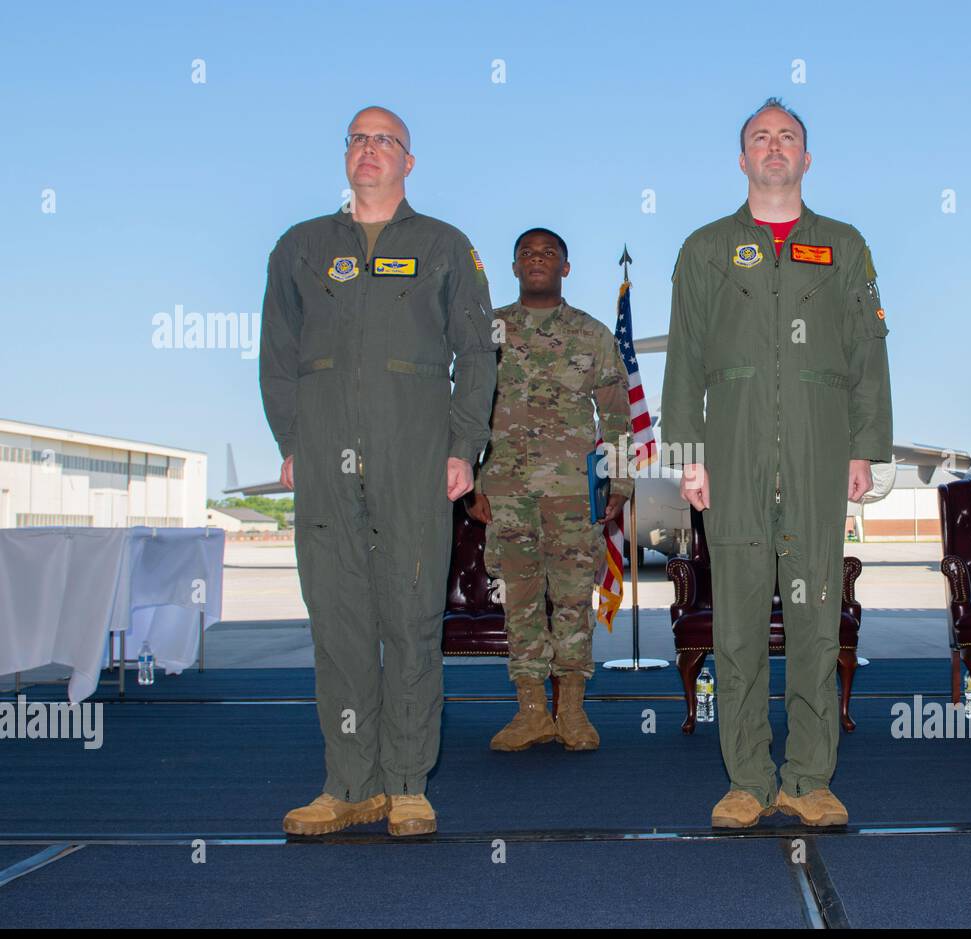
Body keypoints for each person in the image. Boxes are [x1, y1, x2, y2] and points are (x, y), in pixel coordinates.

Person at [259, 106, 498, 835]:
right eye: (358, 139)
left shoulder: (444, 246)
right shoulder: (300, 248)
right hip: (326, 453)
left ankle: (406, 783)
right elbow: (277, 356)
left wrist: (464, 445)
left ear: (408, 161)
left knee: (413, 616)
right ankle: (347, 783)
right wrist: (293, 438)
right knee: (338, 621)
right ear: (346, 157)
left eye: (384, 140)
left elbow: (479, 354)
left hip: (415, 453)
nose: (370, 150)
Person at [662, 98, 893, 828]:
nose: (773, 146)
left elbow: (869, 351)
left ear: (806, 157)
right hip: (730, 449)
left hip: (821, 448)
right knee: (734, 621)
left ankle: (809, 777)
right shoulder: (704, 248)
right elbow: (685, 360)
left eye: (787, 136)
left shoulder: (844, 245)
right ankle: (747, 779)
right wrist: (685, 454)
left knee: (816, 617)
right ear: (741, 158)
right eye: (760, 137)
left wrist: (866, 446)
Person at [465, 228, 633, 751]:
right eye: (527, 254)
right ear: (514, 267)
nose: (537, 261)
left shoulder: (591, 333)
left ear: (566, 267)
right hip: (506, 489)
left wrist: (621, 480)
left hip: (572, 492)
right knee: (519, 600)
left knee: (571, 600)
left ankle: (575, 712)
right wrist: (470, 477)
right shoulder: (487, 330)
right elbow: (467, 407)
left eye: (549, 254)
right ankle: (531, 712)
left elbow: (617, 413)